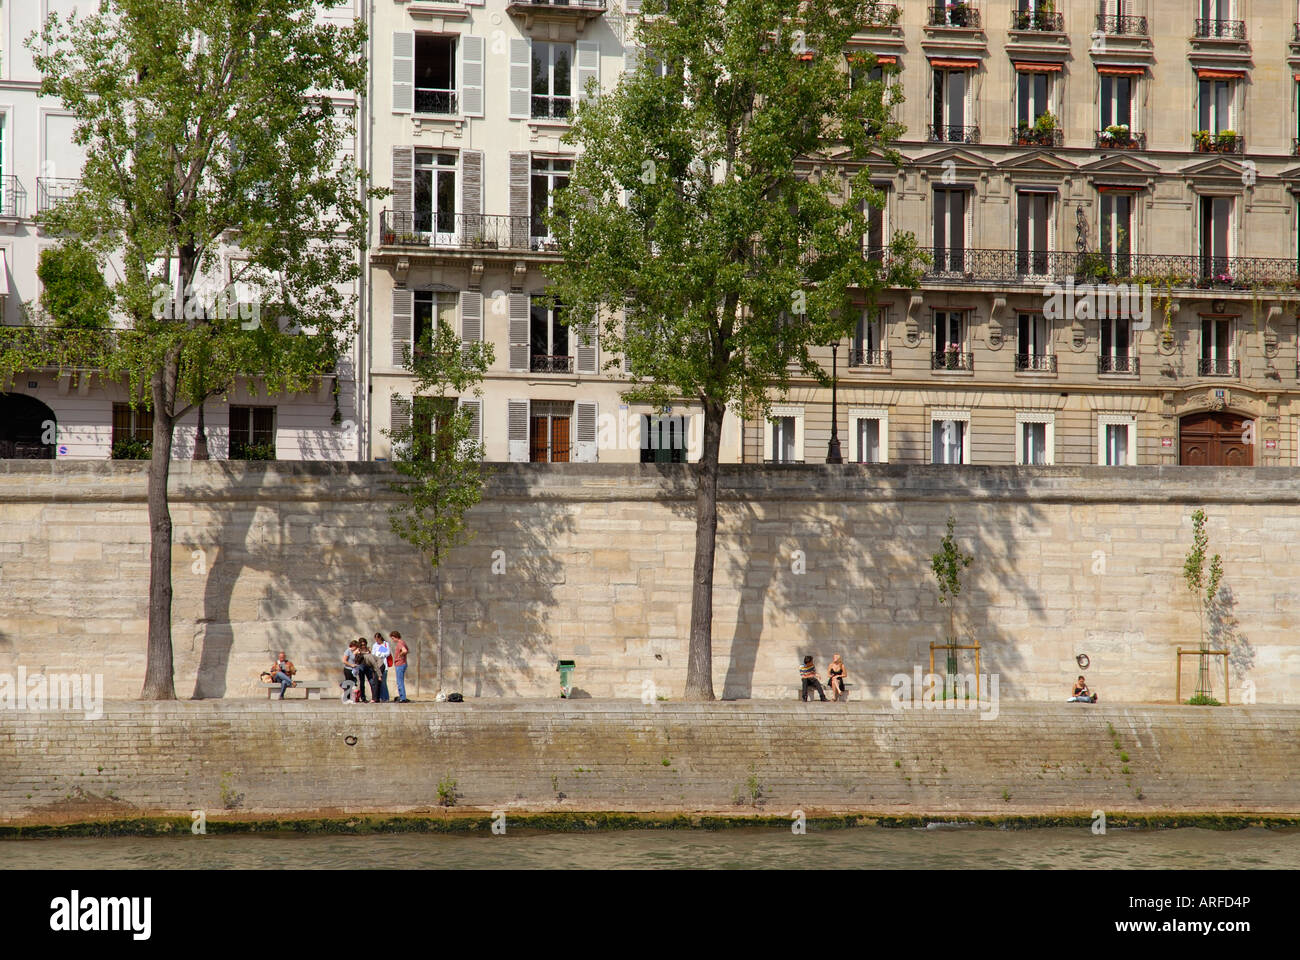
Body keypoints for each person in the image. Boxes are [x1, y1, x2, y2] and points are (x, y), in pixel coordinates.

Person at [390, 631, 410, 703]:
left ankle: (403, 697)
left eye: (393, 638)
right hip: (402, 663)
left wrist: (400, 655)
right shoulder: (403, 642)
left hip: (400, 664)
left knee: (399, 682)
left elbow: (405, 650)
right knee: (400, 681)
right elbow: (407, 650)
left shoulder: (400, 643)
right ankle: (403, 696)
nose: (393, 640)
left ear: (396, 637)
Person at [373, 632, 392, 703]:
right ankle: (380, 697)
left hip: (384, 665)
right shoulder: (375, 645)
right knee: (378, 682)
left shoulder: (385, 644)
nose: (377, 641)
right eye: (375, 639)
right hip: (377, 666)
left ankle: (386, 697)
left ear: (380, 638)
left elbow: (388, 653)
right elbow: (373, 654)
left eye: (377, 639)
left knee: (383, 681)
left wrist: (381, 654)